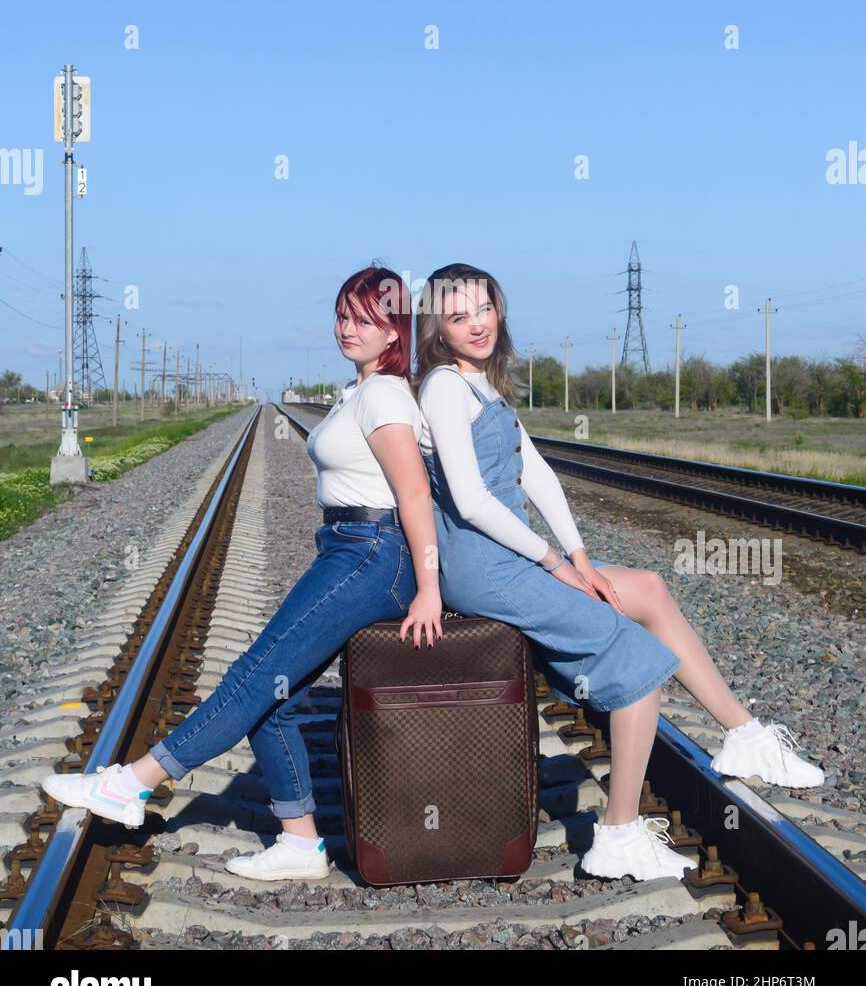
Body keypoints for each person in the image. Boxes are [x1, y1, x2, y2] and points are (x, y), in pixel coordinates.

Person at [413, 262, 825, 883]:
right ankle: (618, 833)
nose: (477, 324)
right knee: (636, 662)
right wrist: (553, 563)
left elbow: (536, 473)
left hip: (510, 555)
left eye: (485, 308)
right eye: (459, 315)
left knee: (651, 591)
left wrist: (578, 556)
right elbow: (471, 502)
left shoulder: (484, 382)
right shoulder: (445, 386)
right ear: (437, 328)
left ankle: (743, 735)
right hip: (484, 566)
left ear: (500, 309)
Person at [43, 264, 443, 882]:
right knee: (273, 694)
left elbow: (414, 497)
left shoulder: (386, 394)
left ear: (395, 331)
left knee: (254, 673)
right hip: (349, 546)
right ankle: (300, 842)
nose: (348, 328)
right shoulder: (362, 389)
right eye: (342, 315)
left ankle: (135, 783)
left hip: (371, 550)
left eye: (365, 318)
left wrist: (429, 590)